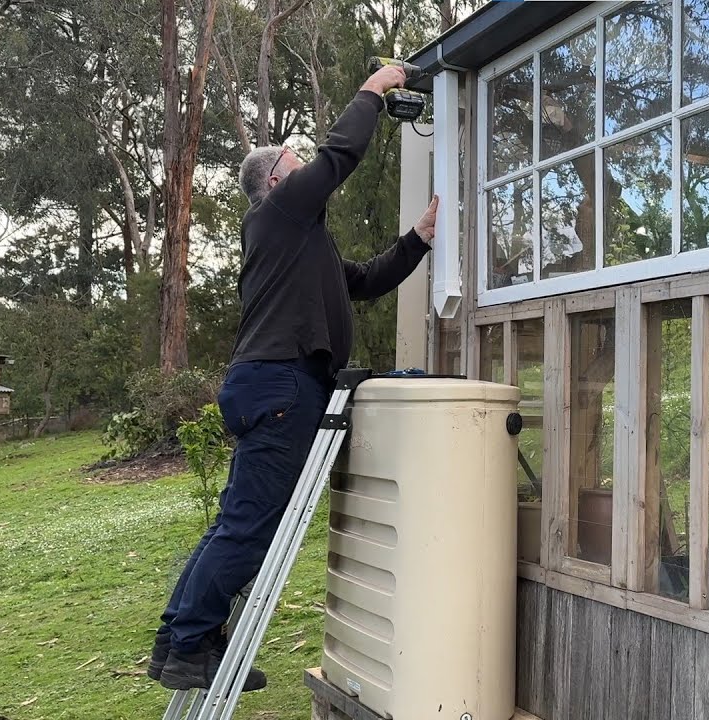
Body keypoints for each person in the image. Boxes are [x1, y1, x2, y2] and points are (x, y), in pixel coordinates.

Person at [147, 64, 437, 692]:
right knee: (249, 529)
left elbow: (365, 281)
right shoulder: (277, 212)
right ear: (277, 179)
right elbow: (340, 156)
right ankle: (193, 644)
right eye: (296, 160)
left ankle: (178, 640)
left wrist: (417, 240)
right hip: (282, 386)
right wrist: (372, 89)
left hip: (268, 384)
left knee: (232, 524)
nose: (308, 166)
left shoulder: (304, 243)